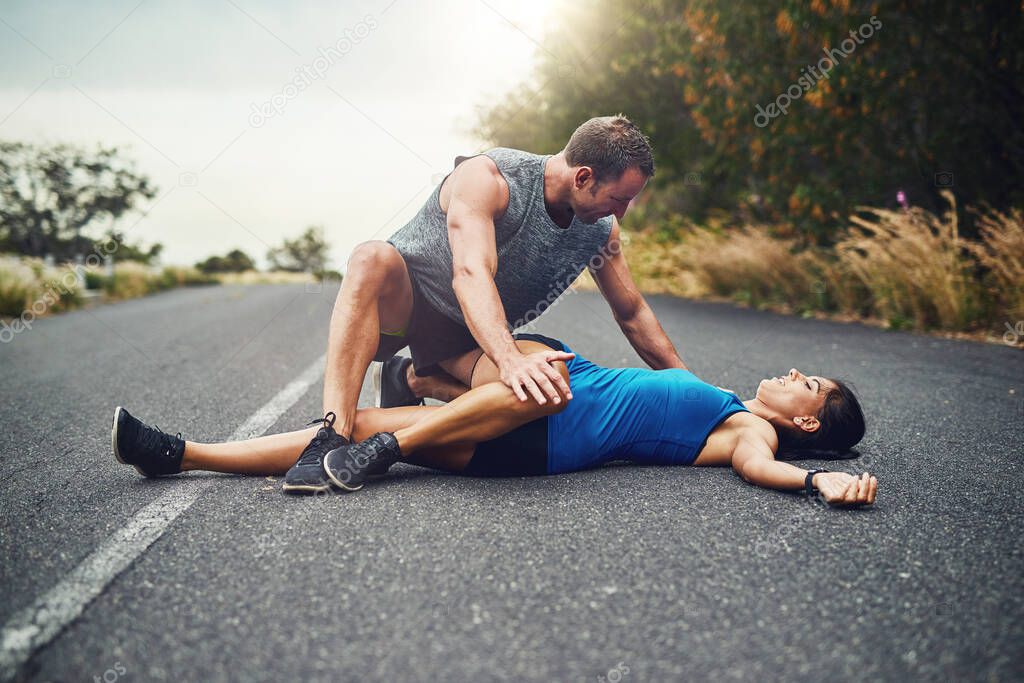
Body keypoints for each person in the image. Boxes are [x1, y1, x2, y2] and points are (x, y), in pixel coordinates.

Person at [291, 114, 690, 492]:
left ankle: (413, 378)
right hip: (404, 304)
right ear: (583, 176)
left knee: (533, 395)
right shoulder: (490, 178)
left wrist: (691, 391)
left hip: (465, 336)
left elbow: (632, 312)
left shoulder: (601, 231)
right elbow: (471, 273)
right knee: (371, 256)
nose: (621, 213)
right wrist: (509, 357)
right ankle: (331, 435)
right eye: (618, 199)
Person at [110, 334, 877, 507]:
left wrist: (817, 483)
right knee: (355, 420)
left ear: (809, 424)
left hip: (547, 430)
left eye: (807, 384)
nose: (791, 374)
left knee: (367, 425)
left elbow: (758, 469)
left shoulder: (752, 432)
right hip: (556, 384)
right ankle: (178, 452)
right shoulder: (732, 401)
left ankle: (182, 451)